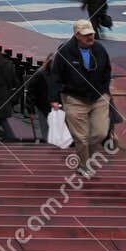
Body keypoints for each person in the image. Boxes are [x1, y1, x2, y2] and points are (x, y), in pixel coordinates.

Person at [48, 19, 113, 170]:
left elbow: (107, 70)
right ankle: (84, 166)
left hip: (98, 97)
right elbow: (55, 76)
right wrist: (54, 98)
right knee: (81, 138)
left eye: (91, 34)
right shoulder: (64, 51)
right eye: (86, 35)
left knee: (100, 133)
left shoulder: (100, 49)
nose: (90, 37)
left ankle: (89, 157)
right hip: (74, 98)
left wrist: (105, 91)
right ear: (77, 35)